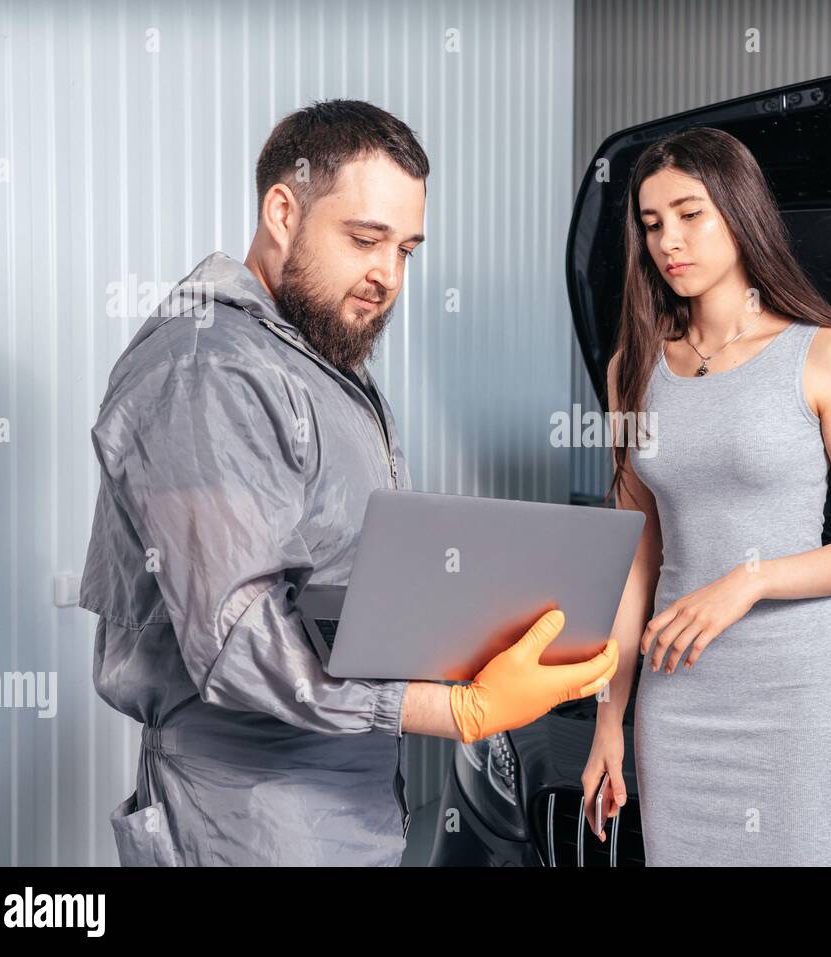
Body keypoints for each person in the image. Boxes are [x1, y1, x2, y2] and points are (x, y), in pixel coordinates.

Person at [79, 99, 618, 866]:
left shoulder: (320, 364)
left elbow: (341, 575)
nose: (388, 276)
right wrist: (455, 708)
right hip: (246, 818)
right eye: (365, 239)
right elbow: (236, 636)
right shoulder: (210, 368)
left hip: (348, 801)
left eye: (407, 249)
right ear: (282, 209)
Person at [581, 127, 831, 865]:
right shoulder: (633, 367)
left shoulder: (824, 356)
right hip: (679, 703)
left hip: (799, 697)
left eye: (691, 213)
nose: (670, 240)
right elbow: (634, 558)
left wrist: (749, 580)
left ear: (739, 209)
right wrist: (609, 719)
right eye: (653, 222)